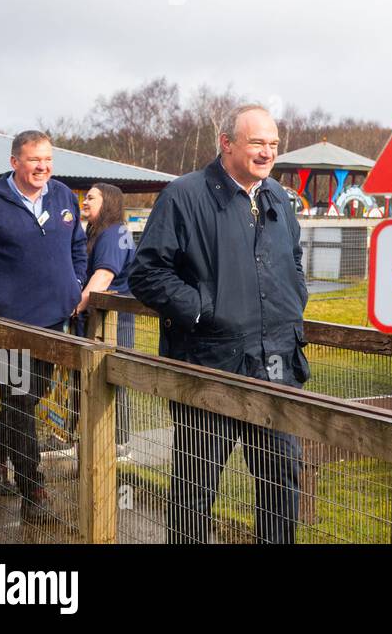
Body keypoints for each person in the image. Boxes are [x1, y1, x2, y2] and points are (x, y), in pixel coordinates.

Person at [129, 104, 310, 544]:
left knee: (281, 479)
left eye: (273, 144)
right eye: (256, 143)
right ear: (226, 144)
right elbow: (147, 273)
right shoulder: (185, 196)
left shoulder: (278, 199)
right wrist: (206, 310)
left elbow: (294, 260)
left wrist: (294, 297)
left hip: (276, 365)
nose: (267, 153)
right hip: (209, 366)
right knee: (196, 483)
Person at [0, 129, 86, 523]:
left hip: (54, 322)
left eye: (48, 159)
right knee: (21, 402)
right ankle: (34, 491)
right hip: (7, 326)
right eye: (34, 160)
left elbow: (77, 244)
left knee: (25, 399)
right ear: (14, 163)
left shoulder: (62, 196)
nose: (43, 167)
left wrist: (76, 282)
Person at [71, 182, 137, 456]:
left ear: (107, 202)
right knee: (83, 378)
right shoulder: (94, 232)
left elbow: (103, 277)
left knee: (112, 378)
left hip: (112, 322)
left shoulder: (114, 233)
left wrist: (74, 306)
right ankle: (75, 434)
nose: (84, 202)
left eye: (91, 198)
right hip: (91, 320)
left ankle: (118, 443)